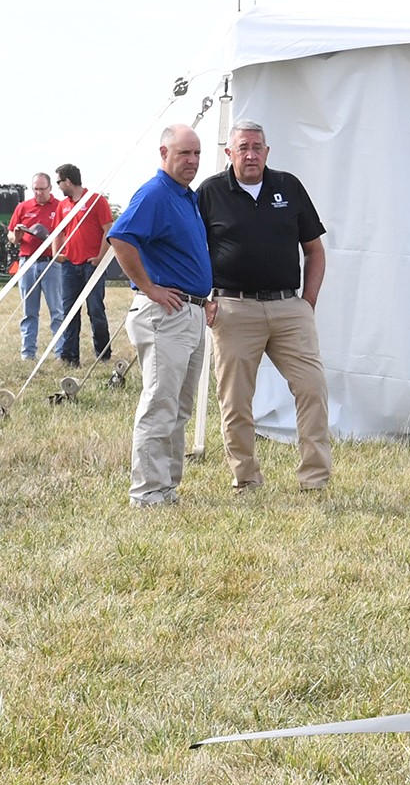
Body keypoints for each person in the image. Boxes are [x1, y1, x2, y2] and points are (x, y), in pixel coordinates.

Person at [195, 120, 332, 491]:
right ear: (229, 152)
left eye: (257, 147)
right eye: (243, 148)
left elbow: (315, 250)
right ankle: (247, 479)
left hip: (289, 308)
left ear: (267, 151)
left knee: (312, 389)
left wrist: (309, 302)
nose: (251, 154)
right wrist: (206, 298)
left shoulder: (288, 186)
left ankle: (315, 479)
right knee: (236, 400)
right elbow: (192, 249)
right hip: (234, 310)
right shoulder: (209, 192)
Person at [106, 125, 213, 508]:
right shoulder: (154, 194)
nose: (193, 161)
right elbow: (121, 237)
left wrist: (204, 297)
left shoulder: (187, 198)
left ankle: (165, 487)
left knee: (180, 405)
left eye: (198, 154)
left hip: (192, 311)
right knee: (160, 402)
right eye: (185, 153)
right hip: (165, 313)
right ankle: (147, 491)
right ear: (164, 153)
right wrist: (149, 287)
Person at [52, 164, 114, 364]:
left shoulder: (96, 200)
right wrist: (56, 254)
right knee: (69, 311)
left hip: (91, 266)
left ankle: (103, 354)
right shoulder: (63, 206)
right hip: (69, 266)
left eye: (59, 182)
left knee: (95, 310)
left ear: (67, 181)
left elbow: (108, 230)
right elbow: (58, 232)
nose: (58, 186)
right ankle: (69, 356)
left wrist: (99, 257)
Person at [9, 174, 67, 362]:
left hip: (51, 262)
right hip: (27, 262)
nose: (39, 193)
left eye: (42, 189)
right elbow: (11, 235)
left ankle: (60, 352)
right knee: (29, 311)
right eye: (35, 189)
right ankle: (28, 353)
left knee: (57, 310)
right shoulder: (23, 207)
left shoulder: (60, 206)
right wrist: (16, 234)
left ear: (50, 188)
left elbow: (67, 233)